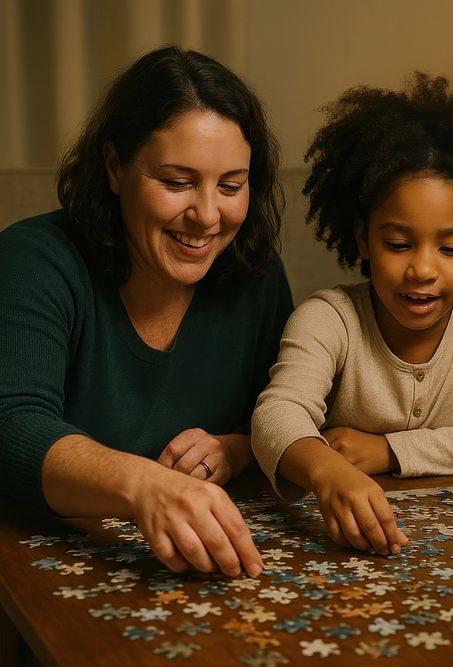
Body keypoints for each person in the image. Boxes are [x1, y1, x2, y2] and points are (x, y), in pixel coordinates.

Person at [0, 45, 293, 578]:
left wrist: (240, 448)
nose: (207, 216)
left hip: (214, 581)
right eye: (177, 182)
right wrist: (147, 487)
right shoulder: (33, 260)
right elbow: (10, 424)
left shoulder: (257, 274)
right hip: (46, 579)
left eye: (231, 185)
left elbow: (291, 408)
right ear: (115, 167)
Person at [251, 72, 453, 557]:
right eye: (398, 244)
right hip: (343, 544)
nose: (423, 270)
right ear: (364, 240)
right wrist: (327, 469)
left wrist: (386, 450)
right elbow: (277, 414)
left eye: (450, 247)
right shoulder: (328, 317)